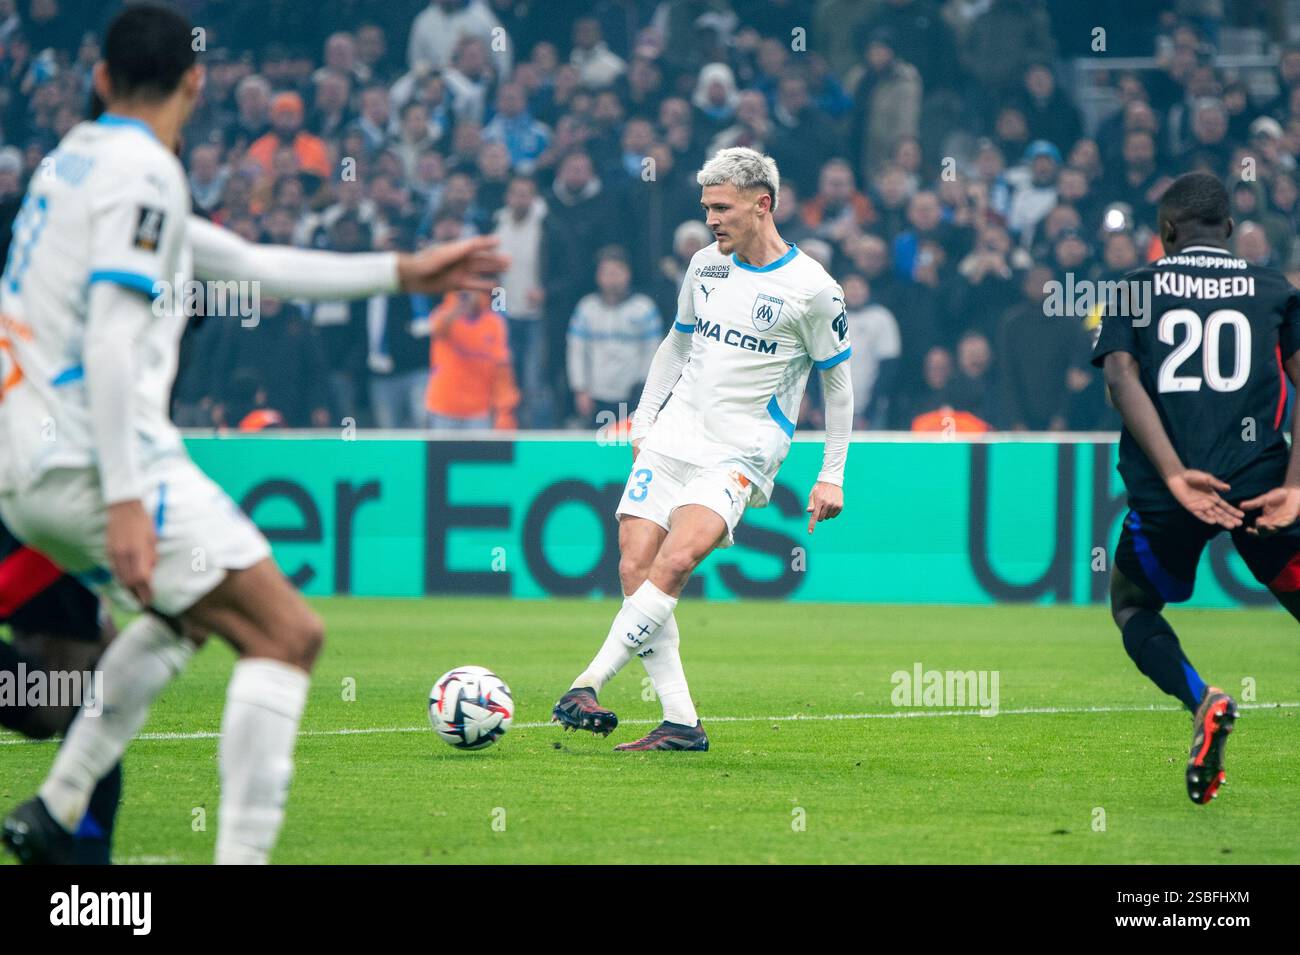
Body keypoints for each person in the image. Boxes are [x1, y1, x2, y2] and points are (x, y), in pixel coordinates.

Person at [0, 4, 506, 865]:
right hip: (96, 456)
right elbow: (115, 337)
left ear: (99, 79)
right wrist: (125, 497)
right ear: (196, 83)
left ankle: (56, 808)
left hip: (27, 458)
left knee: (182, 615)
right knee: (288, 635)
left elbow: (251, 264)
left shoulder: (71, 165)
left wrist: (401, 272)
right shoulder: (143, 171)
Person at [550, 147, 852, 751]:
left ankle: (586, 683)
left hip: (741, 450)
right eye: (706, 207)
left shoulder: (813, 290)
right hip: (672, 436)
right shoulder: (704, 267)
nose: (711, 220)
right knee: (635, 565)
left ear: (762, 205)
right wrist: (643, 425)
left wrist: (832, 474)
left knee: (678, 560)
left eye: (722, 207)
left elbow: (837, 383)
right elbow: (676, 345)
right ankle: (682, 722)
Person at [1093, 171, 1300, 806]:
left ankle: (1202, 698)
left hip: (1168, 496)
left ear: (1165, 234)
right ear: (1232, 231)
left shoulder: (1134, 288)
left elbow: (1121, 380)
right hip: (1262, 488)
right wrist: (1297, 486)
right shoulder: (1275, 291)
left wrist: (1179, 475)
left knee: (1133, 605)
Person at [0, 518, 122, 863]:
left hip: (56, 511)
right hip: (48, 502)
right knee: (55, 703)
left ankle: (87, 853)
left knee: (90, 685)